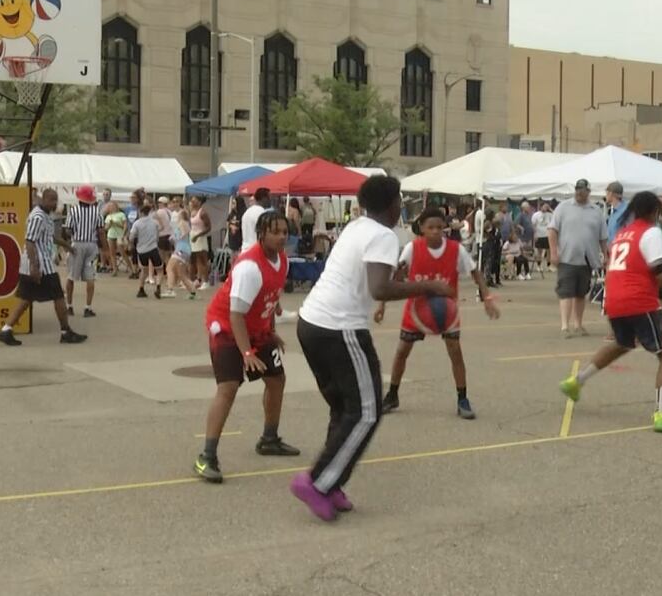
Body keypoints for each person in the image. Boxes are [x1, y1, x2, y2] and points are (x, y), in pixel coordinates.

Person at [291, 176, 453, 522]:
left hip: (311, 323)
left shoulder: (356, 227)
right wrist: (428, 288)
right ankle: (318, 482)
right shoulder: (382, 235)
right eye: (400, 201)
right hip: (340, 327)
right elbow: (379, 288)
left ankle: (330, 482)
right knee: (366, 411)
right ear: (393, 204)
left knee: (343, 407)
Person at [558, 192, 662, 432]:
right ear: (654, 212)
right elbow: (660, 272)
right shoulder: (651, 232)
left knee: (622, 343)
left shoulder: (622, 235)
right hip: (639, 299)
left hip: (615, 298)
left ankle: (577, 381)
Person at [194, 212, 298, 483]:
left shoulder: (282, 260)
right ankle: (206, 456)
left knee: (277, 379)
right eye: (275, 232)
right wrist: (247, 353)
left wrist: (271, 332)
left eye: (285, 232)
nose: (281, 237)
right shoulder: (249, 267)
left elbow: (271, 299)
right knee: (228, 387)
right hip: (228, 329)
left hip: (257, 330)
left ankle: (269, 439)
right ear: (261, 234)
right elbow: (235, 315)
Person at [376, 207, 500, 419]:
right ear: (421, 229)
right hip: (417, 309)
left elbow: (476, 273)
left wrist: (487, 299)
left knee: (455, 351)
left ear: (444, 228)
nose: (435, 231)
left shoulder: (455, 249)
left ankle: (462, 399)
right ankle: (392, 394)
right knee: (402, 351)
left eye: (439, 227)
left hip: (446, 310)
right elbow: (395, 279)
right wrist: (382, 305)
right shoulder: (412, 249)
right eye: (430, 227)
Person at [0, 189, 87, 346]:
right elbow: (30, 241)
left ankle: (6, 330)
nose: (54, 203)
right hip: (40, 264)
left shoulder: (46, 216)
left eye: (56, 200)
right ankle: (65, 332)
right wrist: (34, 266)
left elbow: (49, 237)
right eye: (51, 200)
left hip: (38, 263)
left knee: (25, 299)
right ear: (43, 199)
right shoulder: (38, 216)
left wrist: (67, 246)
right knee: (58, 296)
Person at [548, 179, 607, 337]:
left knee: (581, 293)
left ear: (588, 192)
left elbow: (603, 237)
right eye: (577, 190)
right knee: (566, 292)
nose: (579, 193)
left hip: (587, 259)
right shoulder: (563, 207)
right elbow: (552, 230)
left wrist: (605, 255)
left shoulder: (596, 211)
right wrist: (553, 252)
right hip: (567, 257)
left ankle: (578, 324)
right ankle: (564, 326)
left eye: (582, 191)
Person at [64, 185, 105, 318]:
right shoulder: (96, 212)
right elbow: (100, 231)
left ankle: (69, 306)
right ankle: (88, 307)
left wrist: (68, 242)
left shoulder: (74, 211)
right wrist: (104, 247)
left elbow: (68, 229)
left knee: (71, 276)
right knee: (90, 276)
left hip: (77, 244)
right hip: (91, 245)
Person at [130, 204, 164, 299]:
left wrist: (132, 244)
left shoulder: (137, 223)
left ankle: (141, 289)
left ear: (141, 212)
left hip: (142, 249)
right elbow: (160, 230)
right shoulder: (154, 222)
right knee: (159, 269)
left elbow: (131, 236)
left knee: (144, 270)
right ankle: (158, 287)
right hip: (153, 248)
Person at [165, 209, 198, 300]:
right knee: (181, 273)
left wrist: (177, 237)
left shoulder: (183, 223)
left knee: (169, 268)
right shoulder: (181, 224)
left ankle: (170, 289)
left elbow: (185, 232)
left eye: (178, 215)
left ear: (181, 216)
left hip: (181, 250)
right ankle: (192, 291)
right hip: (183, 249)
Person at [188, 196, 212, 289]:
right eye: (192, 201)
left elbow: (209, 227)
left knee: (202, 260)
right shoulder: (192, 212)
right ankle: (196, 280)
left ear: (199, 202)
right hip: (192, 236)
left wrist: (198, 235)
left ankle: (205, 281)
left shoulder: (203, 213)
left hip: (200, 237)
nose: (193, 202)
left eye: (195, 201)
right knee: (194, 260)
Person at [241, 188, 270, 252]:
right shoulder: (262, 213)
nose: (270, 200)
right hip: (256, 251)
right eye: (269, 198)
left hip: (245, 250)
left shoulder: (247, 212)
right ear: (264, 198)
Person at [103, 201, 128, 276]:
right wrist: (109, 225)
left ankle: (130, 267)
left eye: (112, 206)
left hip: (119, 234)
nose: (111, 208)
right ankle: (114, 269)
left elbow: (125, 225)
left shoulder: (121, 214)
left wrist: (123, 234)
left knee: (122, 252)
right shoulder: (108, 216)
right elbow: (106, 228)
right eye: (109, 206)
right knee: (112, 253)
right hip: (111, 234)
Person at [532, 202, 552, 272]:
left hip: (547, 235)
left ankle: (549, 266)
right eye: (544, 206)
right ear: (541, 207)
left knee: (549, 251)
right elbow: (533, 225)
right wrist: (535, 235)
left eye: (547, 207)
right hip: (539, 235)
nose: (545, 208)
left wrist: (550, 209)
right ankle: (538, 265)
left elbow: (555, 219)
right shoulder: (536, 215)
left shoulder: (550, 214)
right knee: (539, 251)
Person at [155, 196, 174, 269]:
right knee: (168, 256)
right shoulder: (170, 212)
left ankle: (168, 270)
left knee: (162, 257)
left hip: (162, 235)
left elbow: (158, 226)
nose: (158, 204)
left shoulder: (159, 212)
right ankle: (169, 270)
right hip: (170, 235)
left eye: (159, 203)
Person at [226, 196, 246, 260]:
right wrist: (230, 225)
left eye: (234, 203)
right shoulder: (232, 213)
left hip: (240, 241)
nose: (232, 205)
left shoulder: (243, 214)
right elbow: (227, 222)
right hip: (232, 241)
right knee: (232, 261)